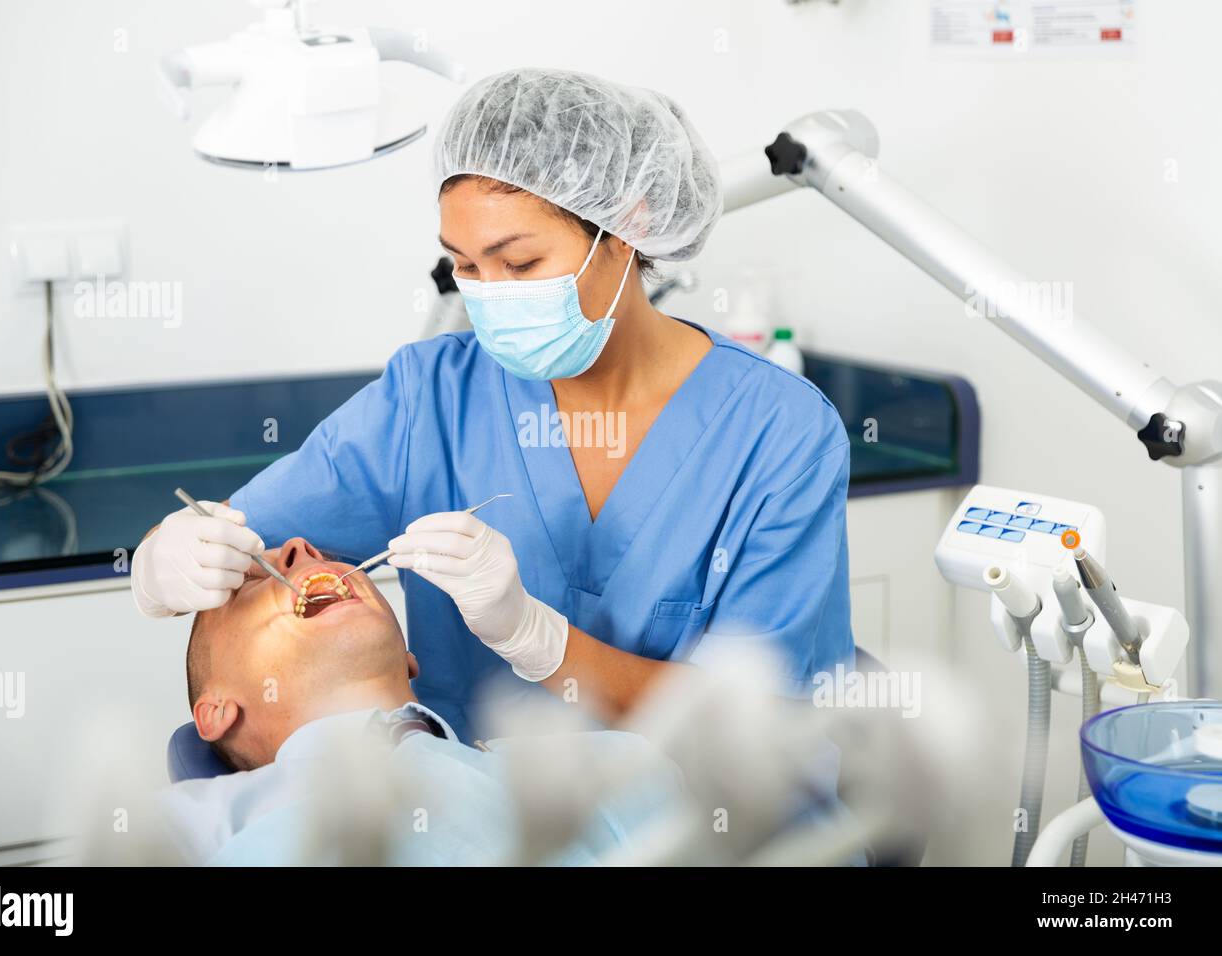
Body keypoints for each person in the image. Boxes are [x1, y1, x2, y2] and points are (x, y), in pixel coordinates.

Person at [132, 67, 854, 744]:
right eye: (465, 265)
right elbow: (254, 556)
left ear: (627, 227)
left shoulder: (780, 433)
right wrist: (162, 564)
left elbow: (749, 730)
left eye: (521, 263)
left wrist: (537, 640)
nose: (489, 294)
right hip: (478, 821)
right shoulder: (430, 400)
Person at [161, 536, 685, 865]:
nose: (301, 548)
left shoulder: (619, 765)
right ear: (215, 712)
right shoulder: (196, 830)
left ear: (409, 659)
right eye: (251, 581)